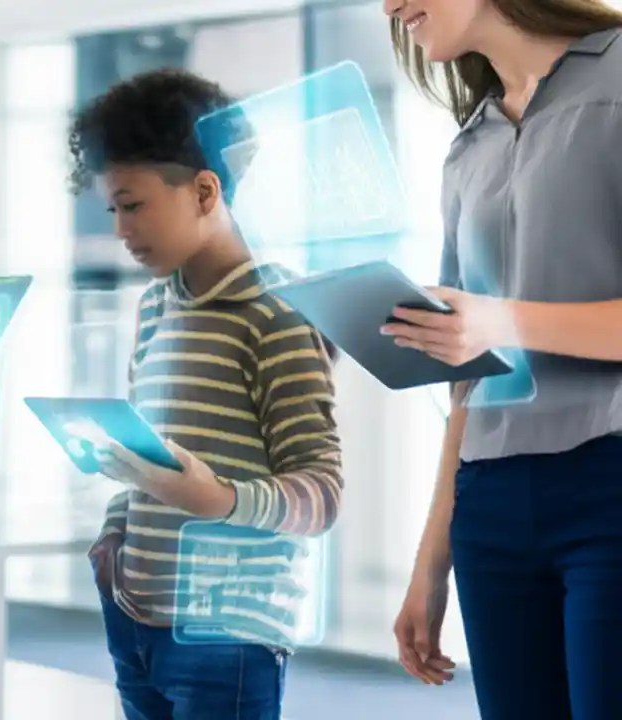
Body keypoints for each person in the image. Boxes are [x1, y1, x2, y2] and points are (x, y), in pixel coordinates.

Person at [67, 68, 344, 720]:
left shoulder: (279, 313)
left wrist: (214, 499)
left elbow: (322, 495)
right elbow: (155, 465)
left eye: (133, 205)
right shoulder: (154, 308)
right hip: (139, 615)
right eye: (113, 208)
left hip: (229, 636)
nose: (121, 229)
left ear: (203, 191)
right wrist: (115, 534)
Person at [382, 0, 622, 717]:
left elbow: (491, 325)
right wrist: (431, 564)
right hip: (490, 505)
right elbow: (469, 382)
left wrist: (501, 321)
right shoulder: (470, 146)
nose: (390, 5)